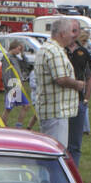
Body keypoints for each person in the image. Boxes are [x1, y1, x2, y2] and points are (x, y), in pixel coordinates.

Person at [32, 17, 85, 148]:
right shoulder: (54, 51)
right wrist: (77, 84)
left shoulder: (47, 48)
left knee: (49, 149)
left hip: (50, 110)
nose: (73, 36)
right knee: (56, 151)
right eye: (71, 32)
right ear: (62, 34)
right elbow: (61, 79)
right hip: (56, 112)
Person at [66, 29, 91, 166]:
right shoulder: (60, 50)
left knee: (75, 144)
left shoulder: (83, 52)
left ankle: (74, 173)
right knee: (60, 141)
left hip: (78, 100)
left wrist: (86, 99)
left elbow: (90, 76)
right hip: (61, 100)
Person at [2, 40, 36, 128]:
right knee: (9, 108)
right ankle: (3, 126)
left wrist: (23, 54)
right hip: (12, 85)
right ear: (13, 48)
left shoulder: (15, 57)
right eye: (18, 49)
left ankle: (18, 126)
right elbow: (6, 73)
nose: (19, 51)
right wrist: (9, 87)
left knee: (25, 106)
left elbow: (26, 65)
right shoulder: (7, 57)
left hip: (17, 85)